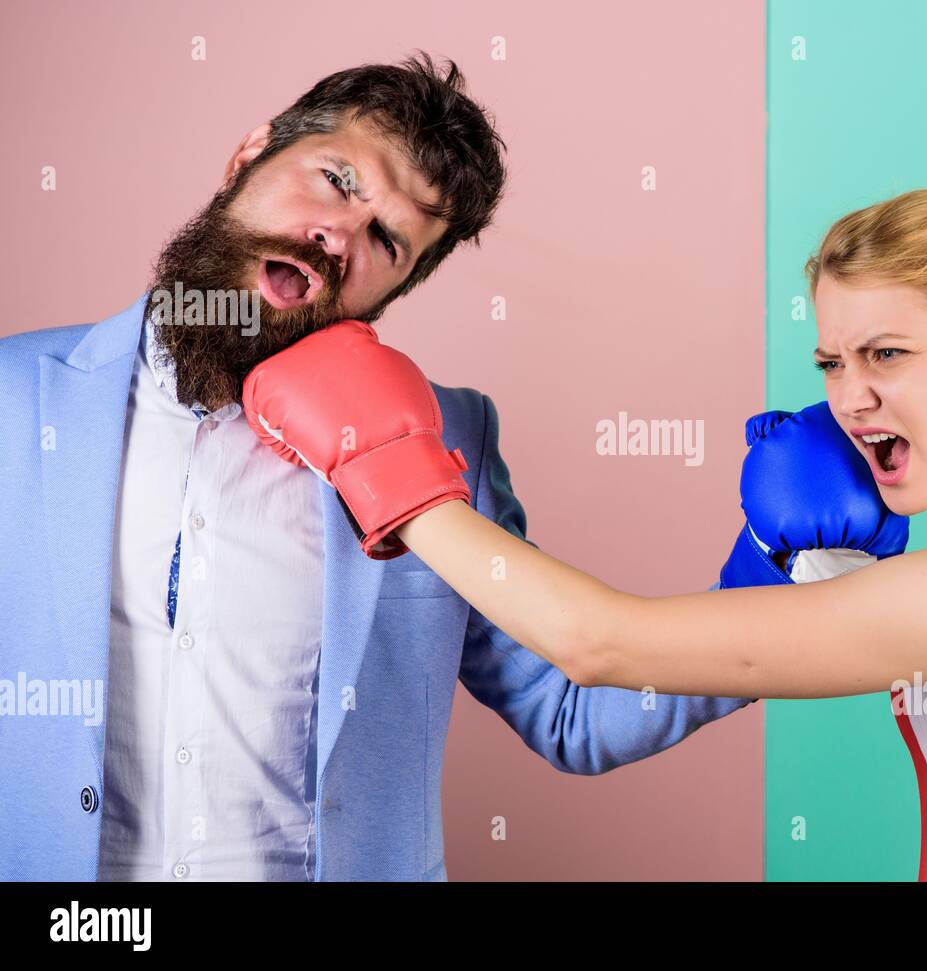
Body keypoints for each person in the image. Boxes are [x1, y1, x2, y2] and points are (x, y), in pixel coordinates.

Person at [244, 188, 927, 881]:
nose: (852, 400)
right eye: (831, 363)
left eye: (888, 354)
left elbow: (597, 644)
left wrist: (394, 474)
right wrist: (802, 567)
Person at [0, 52, 753, 883]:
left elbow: (573, 710)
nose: (339, 235)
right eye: (336, 180)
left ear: (390, 292)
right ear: (248, 156)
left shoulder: (448, 436)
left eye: (387, 240)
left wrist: (775, 579)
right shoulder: (15, 400)